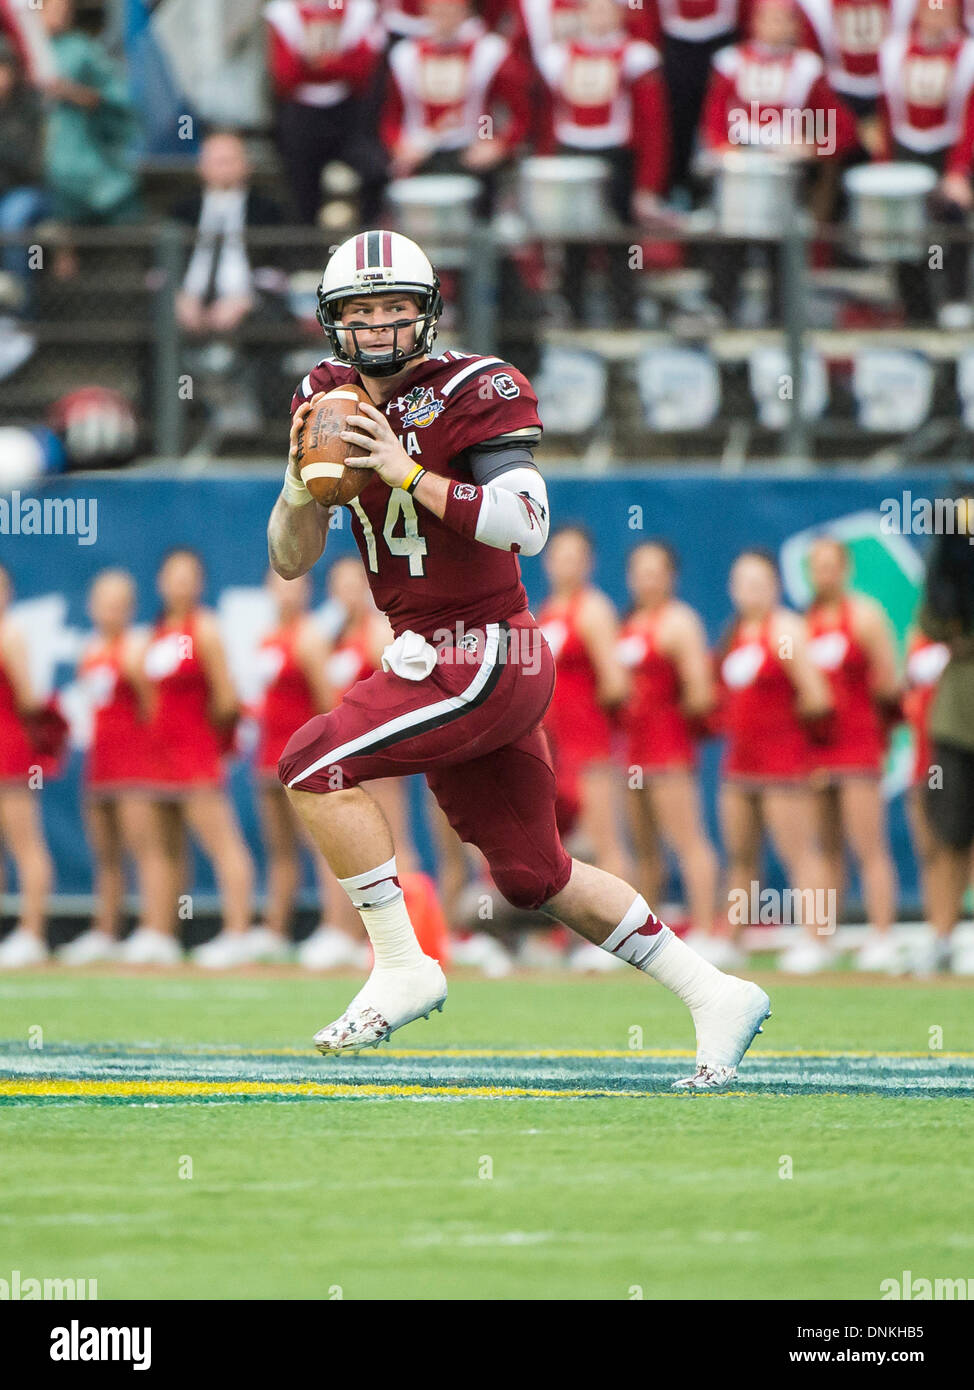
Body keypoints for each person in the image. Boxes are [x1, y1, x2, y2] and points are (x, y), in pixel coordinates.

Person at [268, 227, 771, 1090]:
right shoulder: (326, 396)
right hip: (431, 652)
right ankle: (716, 993)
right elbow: (289, 558)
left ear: (426, 314)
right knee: (536, 874)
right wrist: (297, 485)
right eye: (361, 310)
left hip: (484, 649)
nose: (379, 326)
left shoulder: (474, 385)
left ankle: (403, 962)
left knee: (313, 759)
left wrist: (404, 471)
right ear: (332, 322)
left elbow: (528, 524)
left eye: (395, 308)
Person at [128, 549, 257, 968]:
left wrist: (208, 746)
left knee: (222, 844)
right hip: (157, 757)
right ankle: (160, 932)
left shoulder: (204, 628)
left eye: (189, 577)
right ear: (160, 582)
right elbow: (149, 700)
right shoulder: (155, 632)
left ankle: (238, 934)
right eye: (172, 575)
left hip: (195, 754)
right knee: (161, 848)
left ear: (199, 584)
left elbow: (225, 699)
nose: (180, 583)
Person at [699, 0, 857, 322]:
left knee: (782, 251)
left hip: (784, 173)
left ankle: (781, 323)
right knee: (729, 243)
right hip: (740, 171)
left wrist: (811, 147)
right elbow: (714, 119)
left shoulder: (806, 68)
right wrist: (724, 148)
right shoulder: (730, 63)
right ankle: (720, 313)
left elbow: (840, 130)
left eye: (784, 21)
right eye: (769, 20)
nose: (776, 28)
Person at [717, 549, 835, 973]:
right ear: (732, 589)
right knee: (741, 856)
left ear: (776, 587)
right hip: (739, 765)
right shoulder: (736, 633)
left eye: (760, 583)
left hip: (782, 765)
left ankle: (819, 939)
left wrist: (785, 732)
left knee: (801, 853)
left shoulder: (784, 630)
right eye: (743, 583)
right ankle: (733, 938)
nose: (751, 591)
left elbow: (818, 696)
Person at [618, 541, 723, 962]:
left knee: (687, 840)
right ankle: (648, 934)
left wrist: (660, 709)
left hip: (668, 749)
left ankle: (705, 927)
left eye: (655, 571)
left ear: (670, 576)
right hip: (633, 752)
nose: (647, 579)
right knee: (645, 849)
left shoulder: (679, 622)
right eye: (639, 571)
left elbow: (701, 693)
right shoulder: (629, 623)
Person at [535, 0, 670, 325]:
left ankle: (625, 318)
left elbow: (653, 127)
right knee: (572, 244)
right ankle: (572, 315)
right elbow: (546, 121)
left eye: (606, 10)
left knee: (619, 241)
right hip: (571, 155)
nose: (598, 18)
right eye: (592, 10)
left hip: (615, 159)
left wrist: (648, 185)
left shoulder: (637, 58)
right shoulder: (558, 57)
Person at [60, 570, 166, 967]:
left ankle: (156, 929)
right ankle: (105, 930)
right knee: (106, 854)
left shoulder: (137, 646)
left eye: (120, 602)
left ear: (131, 607)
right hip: (99, 764)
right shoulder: (89, 648)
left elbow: (154, 707)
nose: (111, 609)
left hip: (135, 765)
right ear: (91, 604)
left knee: (146, 849)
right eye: (104, 600)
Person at [805, 537, 902, 971]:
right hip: (815, 751)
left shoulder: (864, 616)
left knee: (869, 845)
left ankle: (882, 934)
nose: (823, 574)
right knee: (826, 848)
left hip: (858, 747)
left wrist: (873, 730)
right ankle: (823, 938)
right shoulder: (804, 623)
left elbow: (889, 683)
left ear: (844, 568)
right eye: (815, 566)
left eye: (830, 565)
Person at [538, 525, 631, 893]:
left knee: (604, 840)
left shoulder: (593, 610)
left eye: (575, 557)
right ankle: (573, 934)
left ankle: (627, 934)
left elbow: (616, 683)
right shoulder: (546, 610)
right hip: (554, 747)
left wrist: (584, 717)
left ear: (589, 564)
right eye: (560, 556)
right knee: (564, 847)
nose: (566, 565)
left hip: (589, 744)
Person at [875, 0, 974, 328]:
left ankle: (953, 297)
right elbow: (887, 112)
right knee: (907, 229)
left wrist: (958, 171)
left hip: (949, 149)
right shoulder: (893, 52)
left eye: (945, 11)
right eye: (932, 10)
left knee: (949, 225)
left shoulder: (968, 54)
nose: (937, 18)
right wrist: (884, 163)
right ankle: (914, 305)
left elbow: (970, 117)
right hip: (908, 148)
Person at [253, 569, 334, 964]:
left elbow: (327, 704)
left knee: (322, 847)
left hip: (303, 763)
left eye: (294, 584)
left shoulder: (311, 637)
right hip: (268, 759)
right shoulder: (267, 638)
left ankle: (337, 929)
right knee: (280, 852)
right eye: (279, 583)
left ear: (308, 590)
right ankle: (274, 931)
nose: (286, 591)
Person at [266, 0, 386, 224]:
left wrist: (313, 63)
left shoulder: (361, 9)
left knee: (374, 171)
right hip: (301, 117)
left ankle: (368, 240)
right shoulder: (283, 12)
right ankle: (305, 254)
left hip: (350, 113)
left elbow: (363, 72)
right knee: (300, 191)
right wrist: (338, 63)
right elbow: (284, 77)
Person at [38, 0, 140, 229]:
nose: (59, 16)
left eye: (64, 10)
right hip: (29, 163)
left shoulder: (80, 49)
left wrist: (72, 93)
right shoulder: (20, 49)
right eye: (51, 8)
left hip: (79, 150)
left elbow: (117, 96)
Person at [0, 562, 54, 969]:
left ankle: (32, 932)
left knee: (25, 843)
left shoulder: (10, 635)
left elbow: (29, 700)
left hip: (10, 750)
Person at [0, 36, 46, 315]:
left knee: (12, 219)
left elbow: (32, 166)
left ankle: (22, 312)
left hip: (29, 192)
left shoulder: (30, 109)